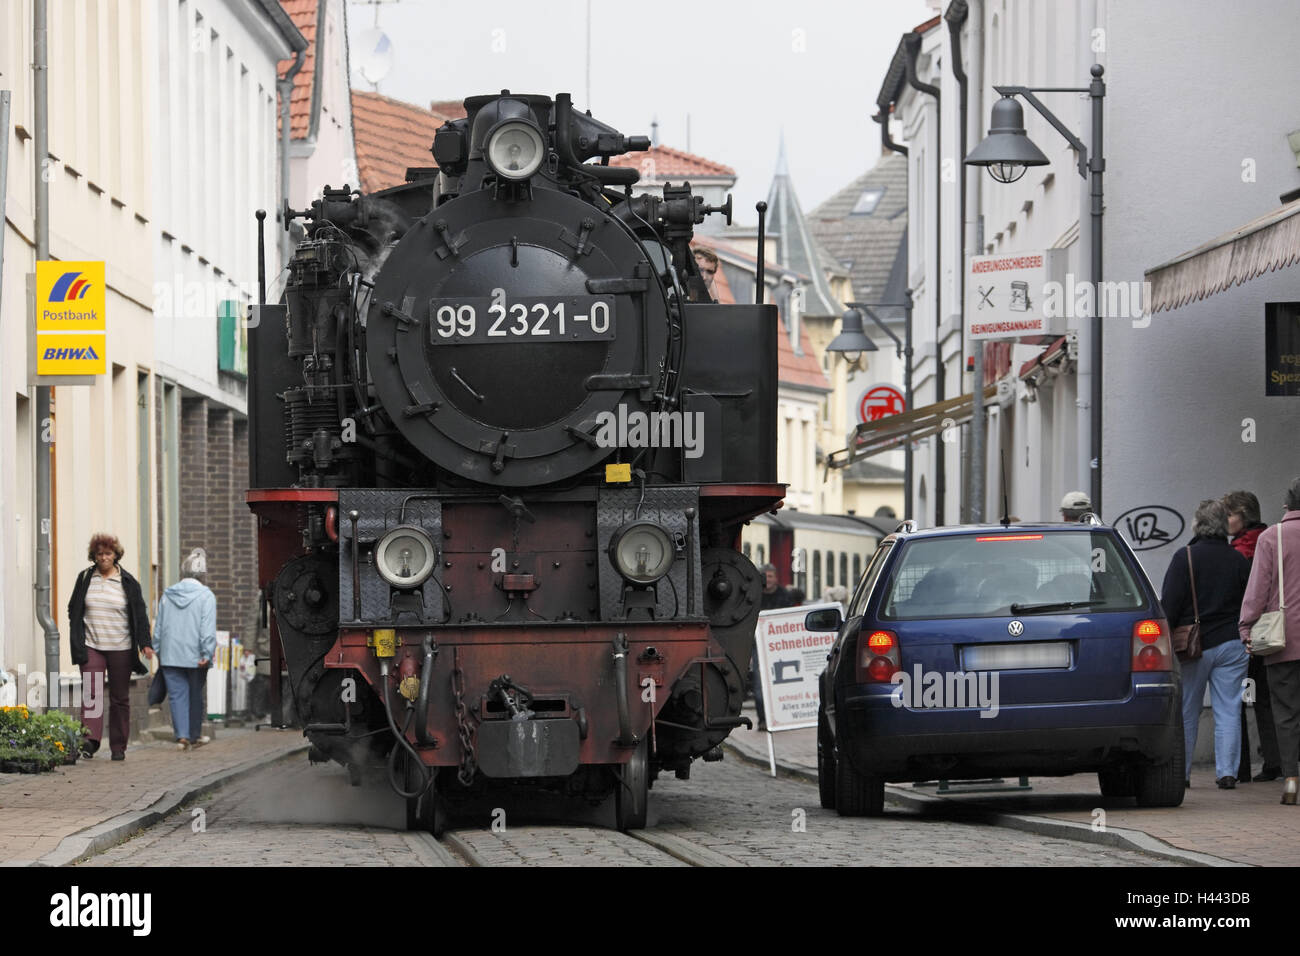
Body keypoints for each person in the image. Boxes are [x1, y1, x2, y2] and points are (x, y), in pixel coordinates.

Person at [1160, 499, 1251, 789]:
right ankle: (1227, 772)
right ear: (1224, 526)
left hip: (1193, 647)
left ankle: (1182, 772)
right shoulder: (1238, 559)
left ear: (1198, 524)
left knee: (1188, 709)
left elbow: (1169, 606)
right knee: (1229, 709)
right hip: (1233, 643)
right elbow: (1249, 601)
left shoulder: (1184, 557)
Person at [1238, 478, 1300, 805]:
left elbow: (1257, 590)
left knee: (1287, 712)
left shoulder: (1271, 537)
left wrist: (1247, 628)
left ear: (1288, 504)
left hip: (1283, 639)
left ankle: (1291, 780)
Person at [68, 533, 154, 760]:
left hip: (121, 646)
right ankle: (91, 740)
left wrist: (145, 644)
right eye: (99, 554)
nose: (103, 557)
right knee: (92, 693)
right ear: (93, 557)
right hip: (91, 645)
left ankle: (118, 746)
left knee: (119, 697)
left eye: (108, 553)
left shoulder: (128, 583)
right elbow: (73, 608)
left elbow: (140, 615)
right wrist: (77, 633)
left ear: (116, 555)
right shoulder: (85, 578)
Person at [1223, 490, 1278, 782]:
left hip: (1253, 634)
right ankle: (1276, 759)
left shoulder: (1243, 550)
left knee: (1253, 696)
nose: (1226, 520)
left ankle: (1264, 763)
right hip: (1275, 630)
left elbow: (1250, 595)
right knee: (1269, 696)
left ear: (1243, 516)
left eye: (1230, 514)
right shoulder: (1272, 538)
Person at [154, 548, 217, 751]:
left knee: (177, 695)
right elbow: (206, 628)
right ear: (202, 575)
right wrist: (207, 652)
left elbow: (159, 626)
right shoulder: (206, 596)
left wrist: (158, 649)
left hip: (170, 654)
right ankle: (194, 735)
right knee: (195, 694)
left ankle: (181, 736)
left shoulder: (167, 594)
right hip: (196, 655)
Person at [752, 563, 799, 730]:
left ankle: (783, 718)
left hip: (780, 646)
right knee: (759, 684)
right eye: (765, 576)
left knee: (782, 683)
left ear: (776, 578)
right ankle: (763, 720)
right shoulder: (754, 594)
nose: (768, 580)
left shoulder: (784, 596)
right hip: (759, 645)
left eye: (770, 576)